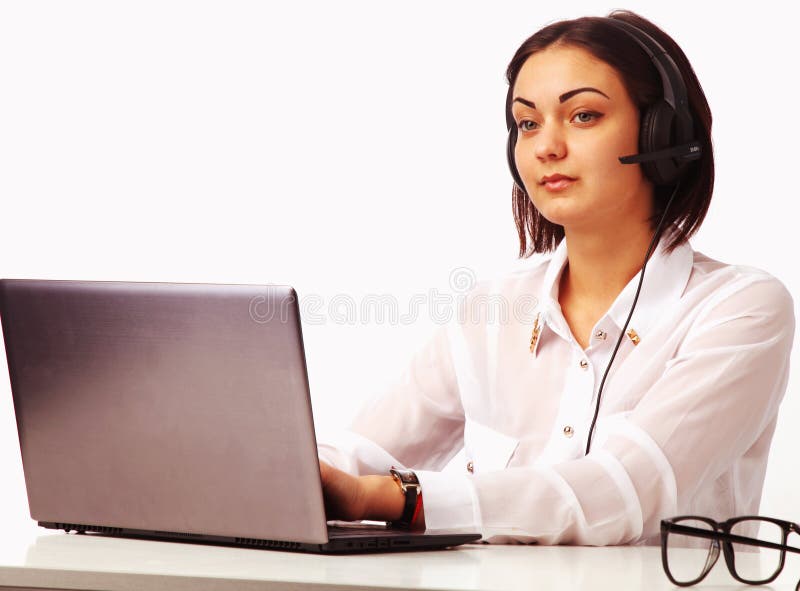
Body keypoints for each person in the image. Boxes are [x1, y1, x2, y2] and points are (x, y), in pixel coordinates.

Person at [316, 9, 795, 545]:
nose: (547, 146)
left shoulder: (741, 308)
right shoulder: (491, 309)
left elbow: (621, 493)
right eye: (528, 123)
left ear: (662, 133)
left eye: (583, 115)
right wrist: (286, 470)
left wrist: (394, 498)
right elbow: (360, 450)